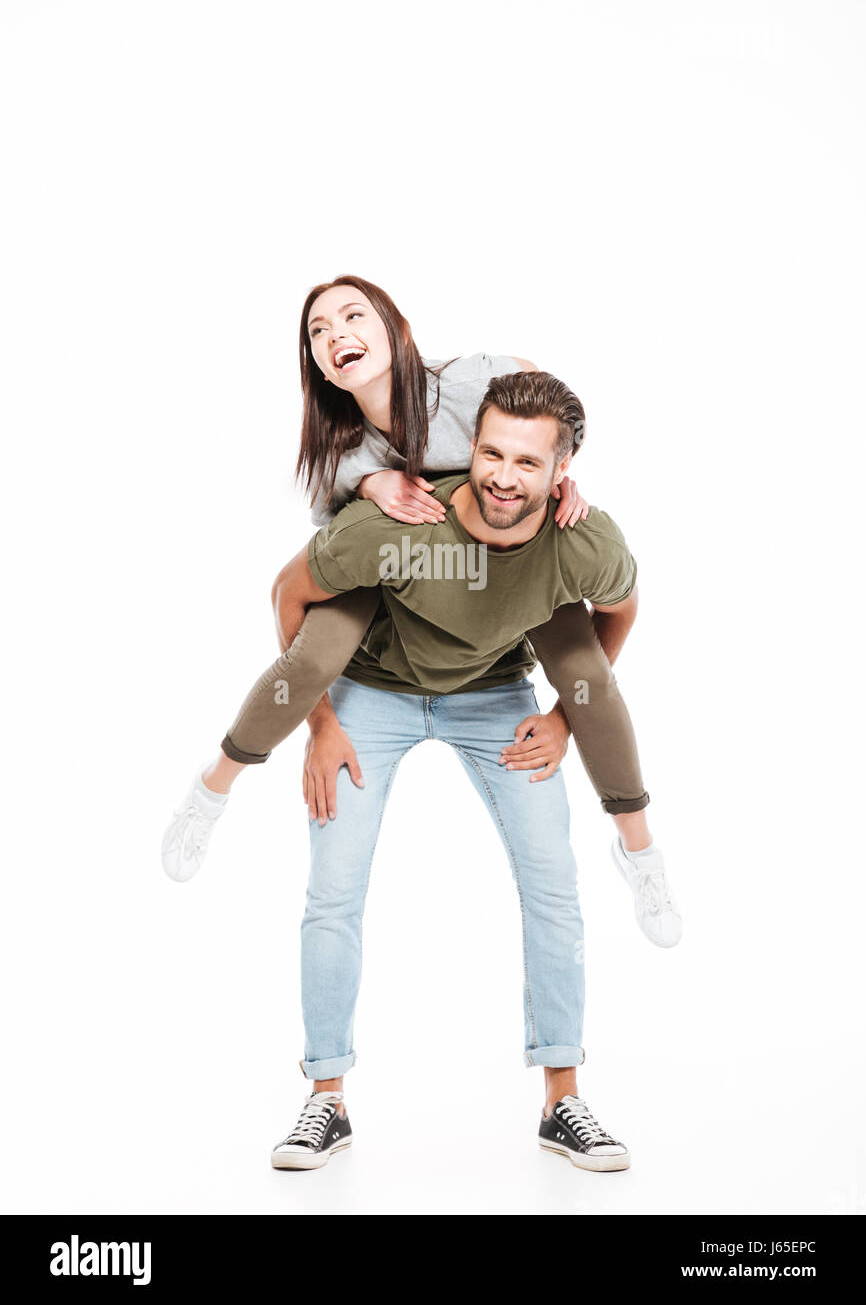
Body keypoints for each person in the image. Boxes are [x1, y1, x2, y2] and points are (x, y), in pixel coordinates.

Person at [163, 278, 676, 953]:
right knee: (312, 661)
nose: (336, 334)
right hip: (396, 565)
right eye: (318, 331)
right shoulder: (333, 449)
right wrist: (371, 482)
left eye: (353, 316)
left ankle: (641, 856)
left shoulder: (465, 385)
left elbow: (541, 396)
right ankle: (211, 790)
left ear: (395, 329)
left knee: (589, 682)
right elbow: (302, 575)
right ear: (315, 361)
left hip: (512, 549)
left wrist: (559, 470)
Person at [268, 371, 662, 1172]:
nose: (502, 476)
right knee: (334, 890)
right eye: (490, 453)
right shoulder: (403, 519)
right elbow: (288, 592)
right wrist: (321, 722)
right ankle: (324, 1101)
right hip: (372, 696)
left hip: (496, 701)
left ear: (563, 475)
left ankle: (563, 1099)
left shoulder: (586, 537)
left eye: (527, 462)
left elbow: (619, 608)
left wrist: (561, 717)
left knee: (552, 881)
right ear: (470, 447)